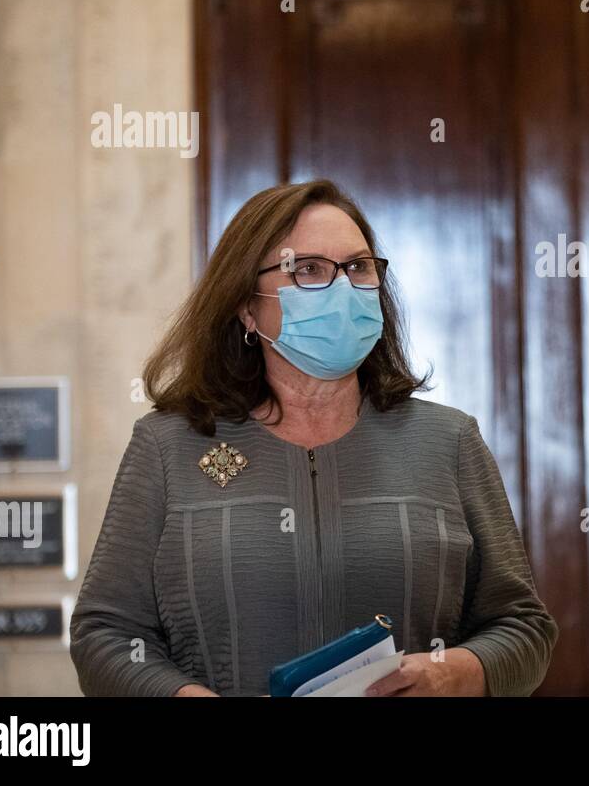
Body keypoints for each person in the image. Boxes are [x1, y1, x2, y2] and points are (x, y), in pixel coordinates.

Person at [69, 179, 558, 696]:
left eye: (358, 267)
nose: (343, 288)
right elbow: (105, 635)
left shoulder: (448, 440)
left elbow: (524, 626)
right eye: (308, 270)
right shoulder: (167, 446)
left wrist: (454, 673)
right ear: (246, 308)